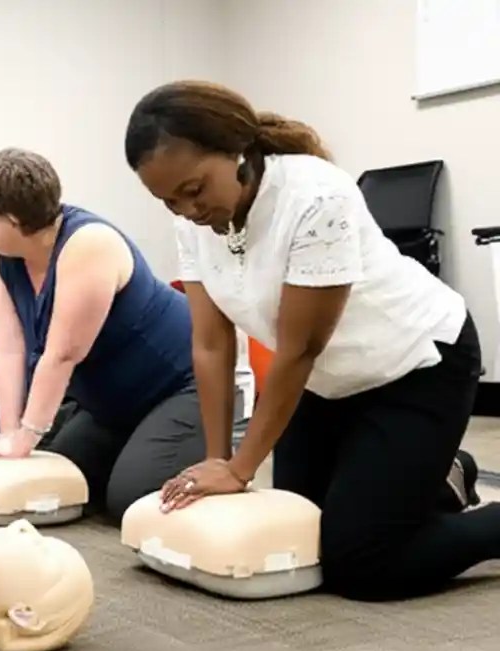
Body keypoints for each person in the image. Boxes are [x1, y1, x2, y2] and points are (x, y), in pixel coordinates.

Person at [124, 79, 498, 602]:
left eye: (194, 189)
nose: (187, 210)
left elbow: (300, 349)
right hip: (325, 386)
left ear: (236, 150)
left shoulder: (315, 195)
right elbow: (211, 345)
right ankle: (442, 476)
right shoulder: (196, 222)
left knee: (361, 561)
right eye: (168, 201)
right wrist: (217, 460)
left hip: (415, 365)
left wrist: (240, 469)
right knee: (304, 530)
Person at [0, 148, 205, 524]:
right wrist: (10, 434)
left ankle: (217, 448)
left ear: (12, 219)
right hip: (112, 404)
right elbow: (9, 349)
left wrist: (27, 436)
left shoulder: (89, 244)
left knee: (129, 502)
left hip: (184, 385)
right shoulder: (5, 258)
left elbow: (61, 354)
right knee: (67, 481)